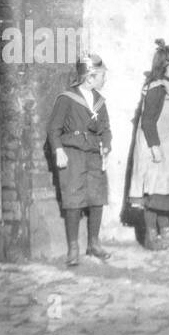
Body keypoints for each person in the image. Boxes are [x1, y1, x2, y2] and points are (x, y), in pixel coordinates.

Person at [47, 54, 111, 266]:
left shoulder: (100, 101)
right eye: (101, 76)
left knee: (97, 197)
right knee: (73, 199)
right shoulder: (67, 98)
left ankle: (94, 243)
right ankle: (73, 248)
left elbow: (106, 129)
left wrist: (106, 146)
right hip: (73, 153)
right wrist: (58, 150)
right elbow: (53, 129)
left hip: (94, 153)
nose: (104, 79)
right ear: (89, 77)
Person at [128, 40, 169, 250]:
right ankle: (151, 236)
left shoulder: (166, 86)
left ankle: (166, 233)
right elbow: (147, 121)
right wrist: (154, 148)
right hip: (155, 150)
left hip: (166, 150)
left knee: (163, 192)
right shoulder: (157, 88)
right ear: (168, 67)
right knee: (153, 193)